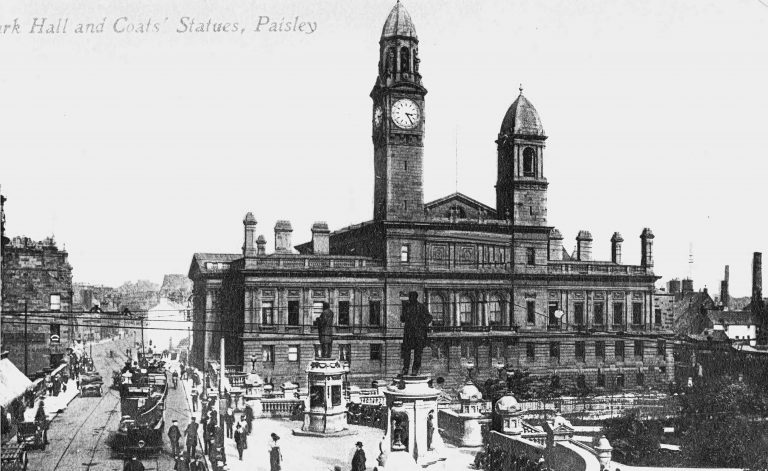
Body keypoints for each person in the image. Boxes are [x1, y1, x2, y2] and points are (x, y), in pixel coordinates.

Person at [400, 291, 433, 376]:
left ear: (415, 297)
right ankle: (405, 369)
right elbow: (402, 319)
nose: (411, 298)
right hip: (408, 333)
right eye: (410, 297)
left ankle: (415, 370)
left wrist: (422, 324)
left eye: (412, 297)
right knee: (406, 352)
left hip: (418, 334)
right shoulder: (406, 306)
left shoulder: (421, 307)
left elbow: (429, 317)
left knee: (418, 353)